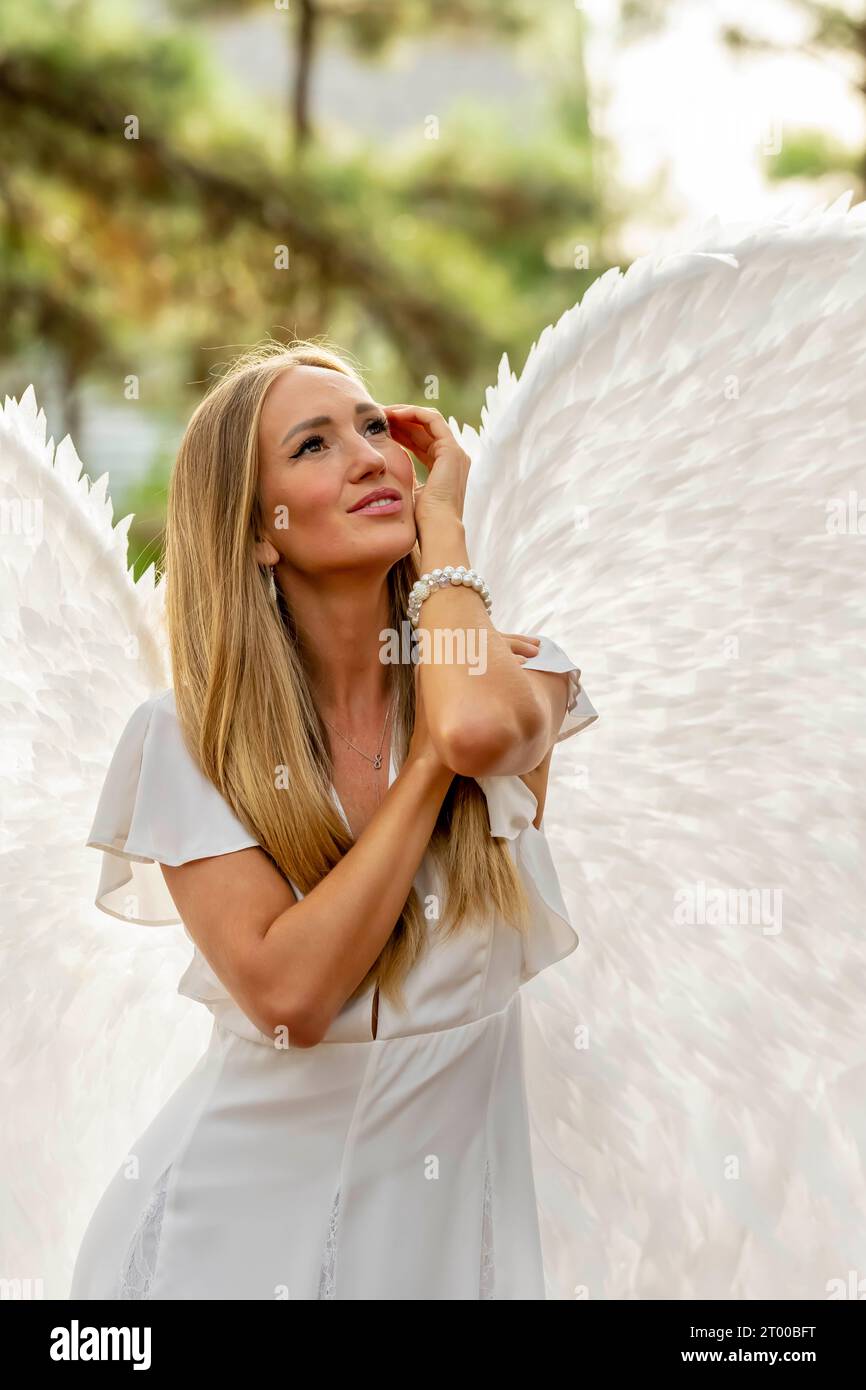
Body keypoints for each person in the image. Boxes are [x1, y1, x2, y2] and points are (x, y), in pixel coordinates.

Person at [70, 339, 598, 1300]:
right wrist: (431, 763)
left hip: (444, 1259)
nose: (366, 457)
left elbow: (477, 727)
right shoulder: (189, 740)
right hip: (219, 1254)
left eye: (372, 427)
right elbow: (292, 1000)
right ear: (259, 531)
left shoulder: (526, 676)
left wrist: (446, 533)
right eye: (312, 447)